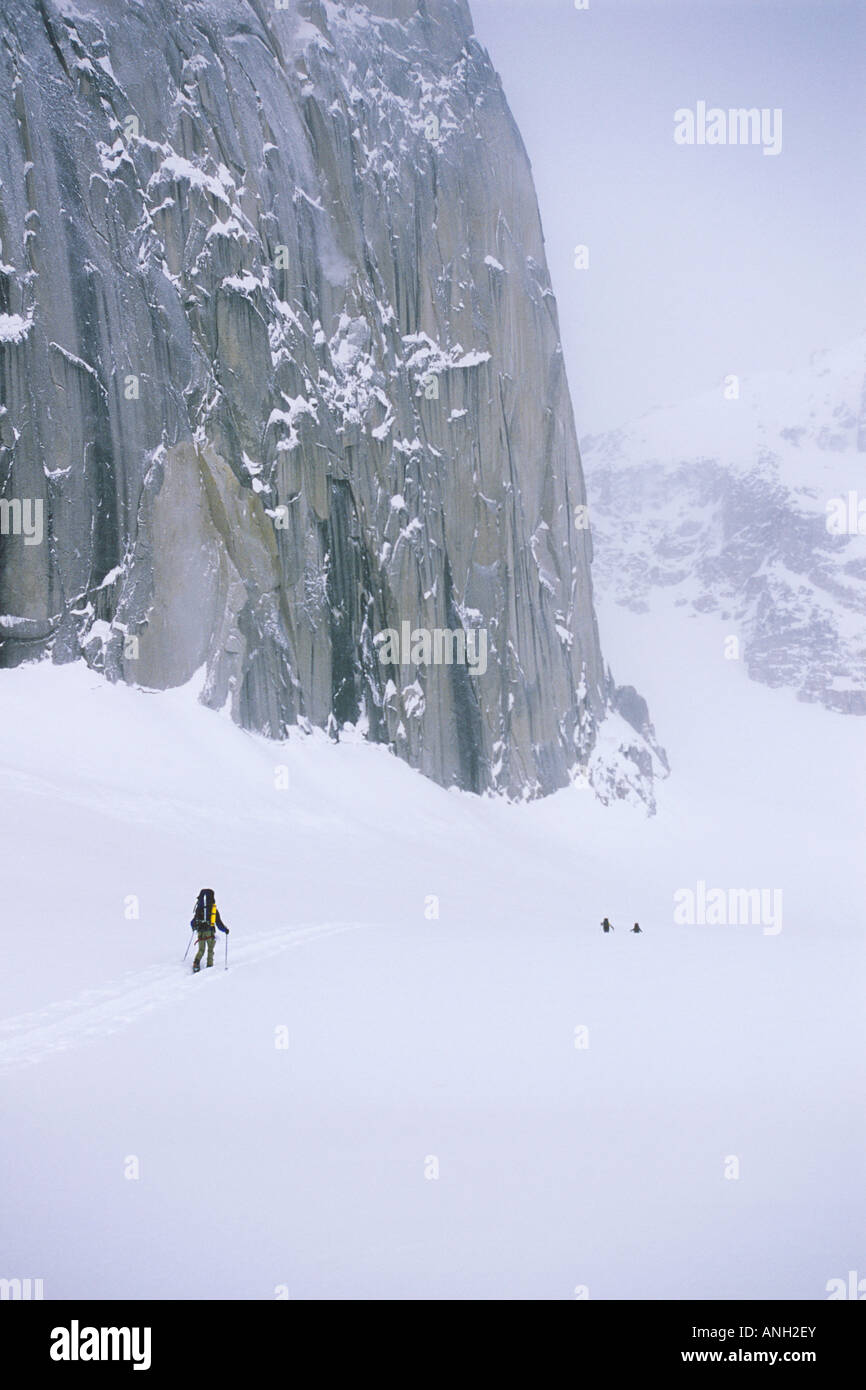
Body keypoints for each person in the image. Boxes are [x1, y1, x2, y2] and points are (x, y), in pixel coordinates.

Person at [191, 888, 229, 972]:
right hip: (210, 932)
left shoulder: (199, 908)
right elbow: (218, 923)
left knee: (201, 949)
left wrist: (194, 927)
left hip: (200, 931)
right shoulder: (213, 909)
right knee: (210, 950)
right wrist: (225, 930)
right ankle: (209, 967)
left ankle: (196, 964)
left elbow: (193, 921)